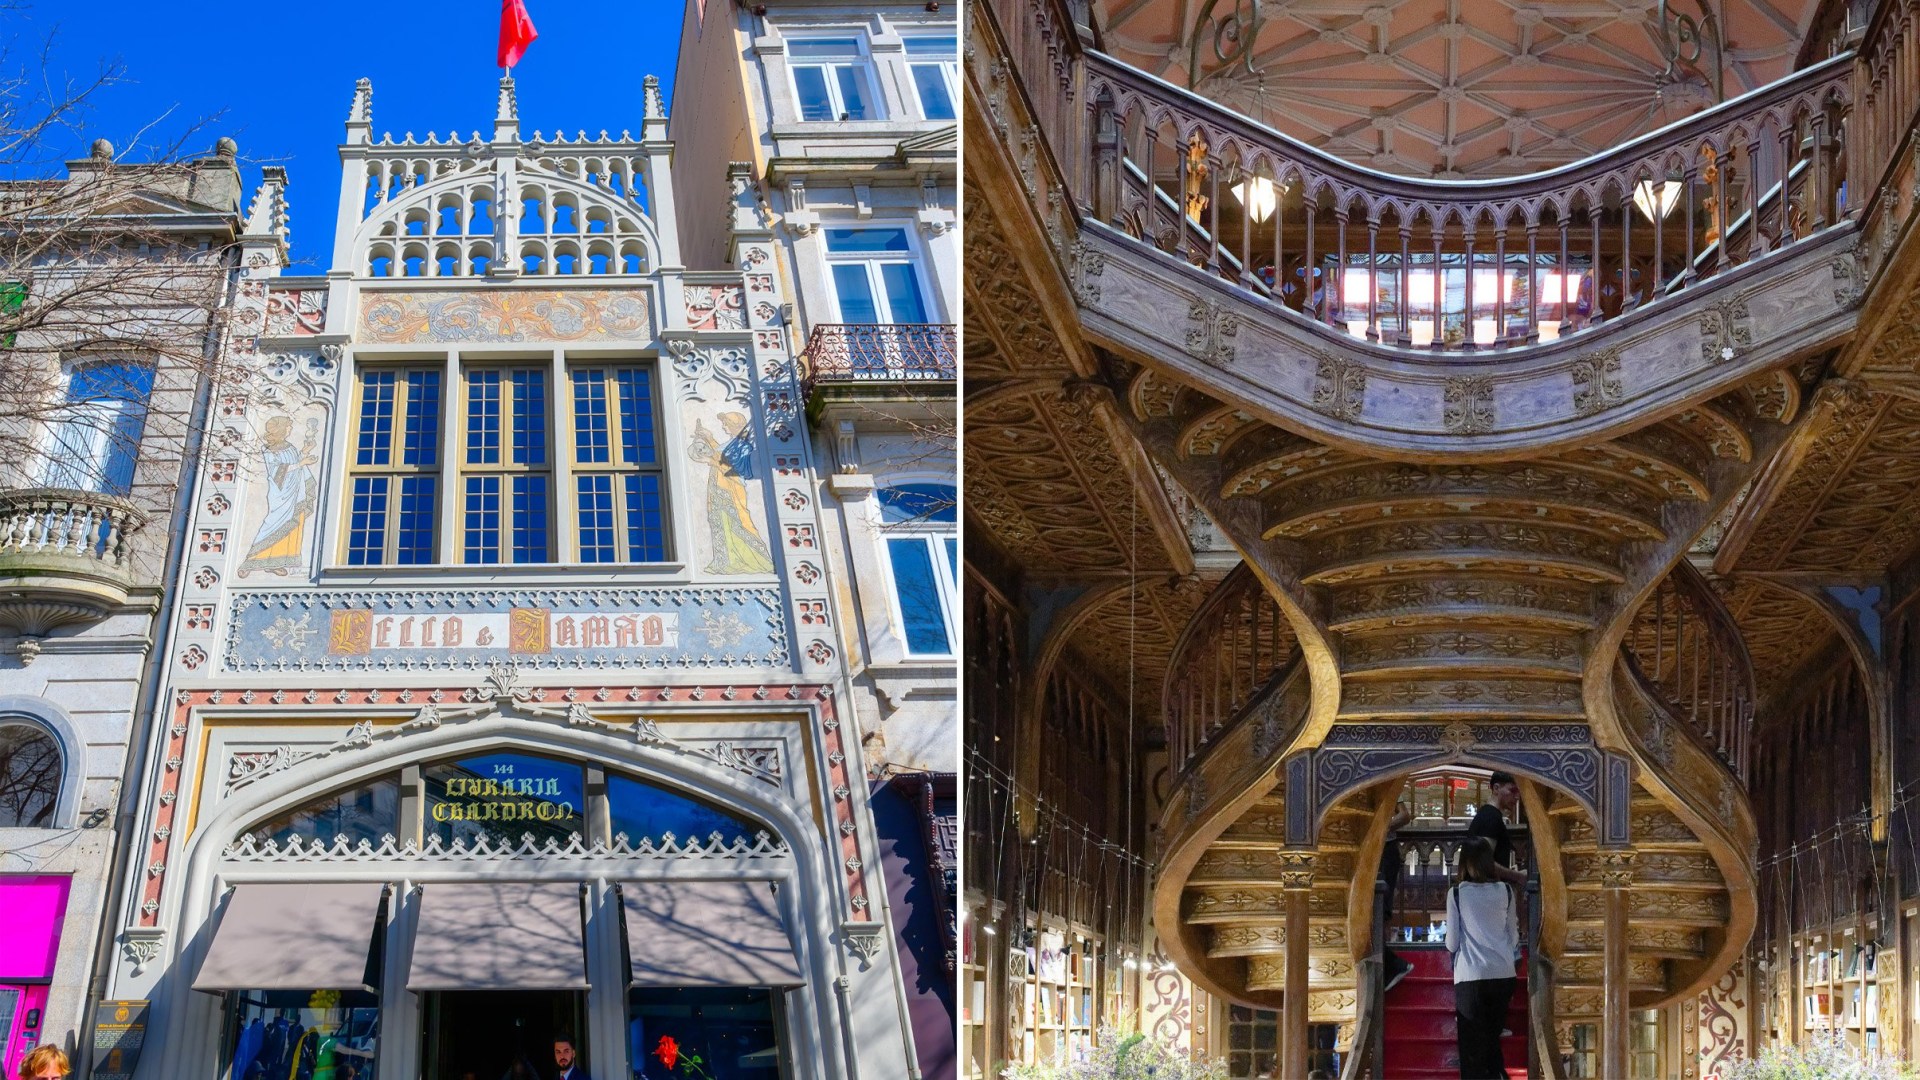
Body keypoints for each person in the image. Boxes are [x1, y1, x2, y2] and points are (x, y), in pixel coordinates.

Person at [1447, 836, 1520, 1080]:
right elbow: (1513, 937)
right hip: (1503, 974)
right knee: (1491, 1040)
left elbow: (1452, 942)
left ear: (1464, 863)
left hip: (1471, 976)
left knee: (1472, 1050)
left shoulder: (1457, 893)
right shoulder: (1506, 891)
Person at [1381, 779, 1415, 992]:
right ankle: (1389, 964)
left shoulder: (1390, 783)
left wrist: (1379, 828)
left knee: (1382, 907)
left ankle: (1391, 965)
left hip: (1385, 849)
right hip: (1375, 850)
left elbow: (1404, 815)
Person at [1467, 772, 1528, 887]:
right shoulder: (1491, 817)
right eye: (1512, 790)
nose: (1517, 797)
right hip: (1487, 893)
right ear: (1496, 788)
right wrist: (1517, 876)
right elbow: (1484, 863)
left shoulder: (1488, 814)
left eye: (1518, 792)